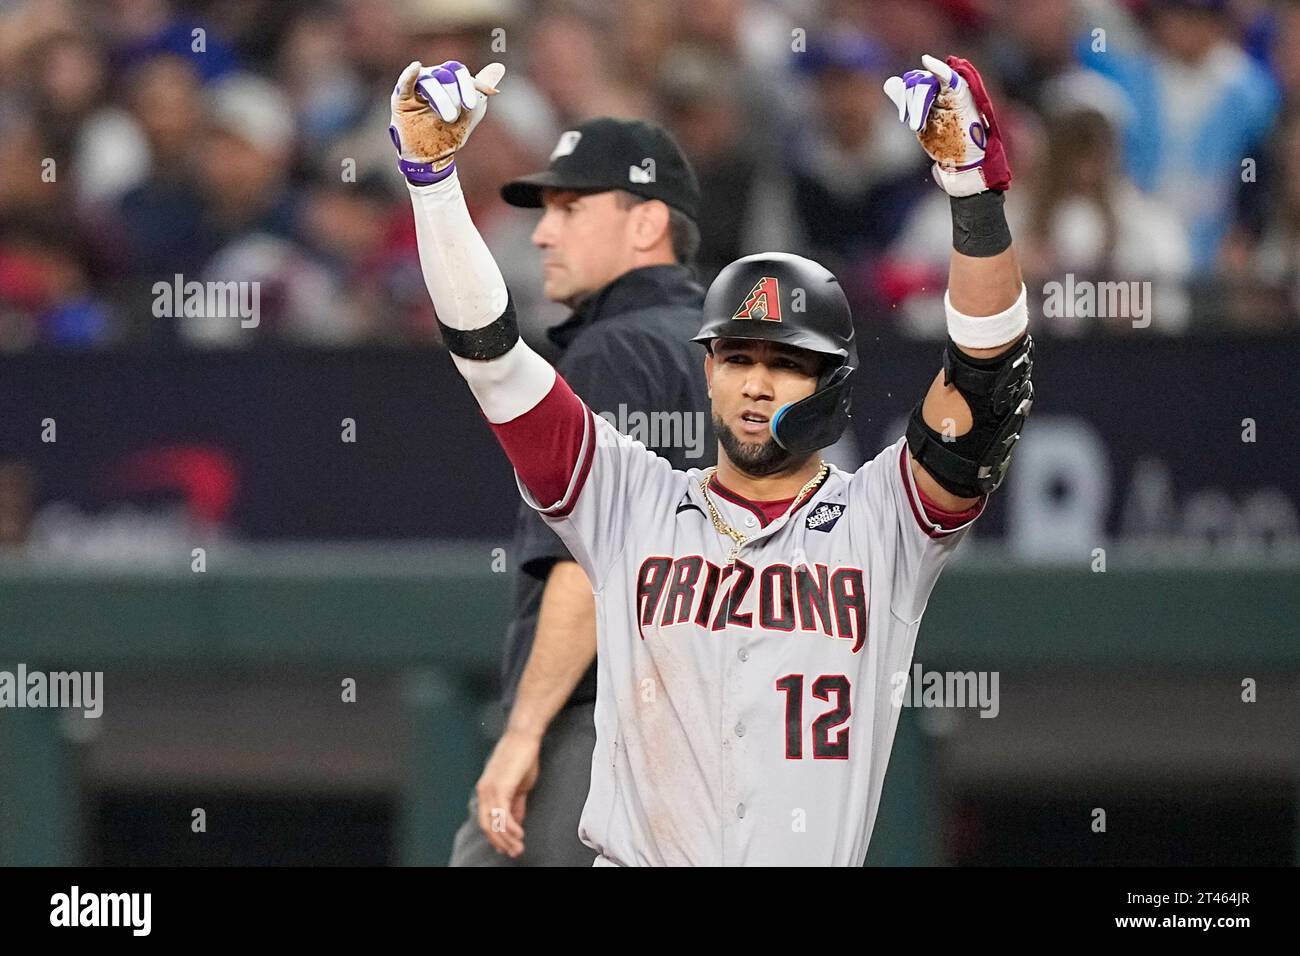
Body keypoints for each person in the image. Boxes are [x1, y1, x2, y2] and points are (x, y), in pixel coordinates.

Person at [391, 54, 1034, 865]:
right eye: (737, 358)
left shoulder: (883, 522)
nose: (757, 385)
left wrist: (974, 198)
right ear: (707, 370)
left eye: (786, 361)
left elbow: (987, 390)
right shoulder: (629, 498)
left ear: (833, 381)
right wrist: (433, 183)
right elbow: (490, 358)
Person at [426, 110, 715, 864]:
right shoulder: (739, 355)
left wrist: (523, 734)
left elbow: (590, 564)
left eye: (570, 207)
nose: (544, 233)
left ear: (648, 221)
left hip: (600, 727)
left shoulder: (616, 349)